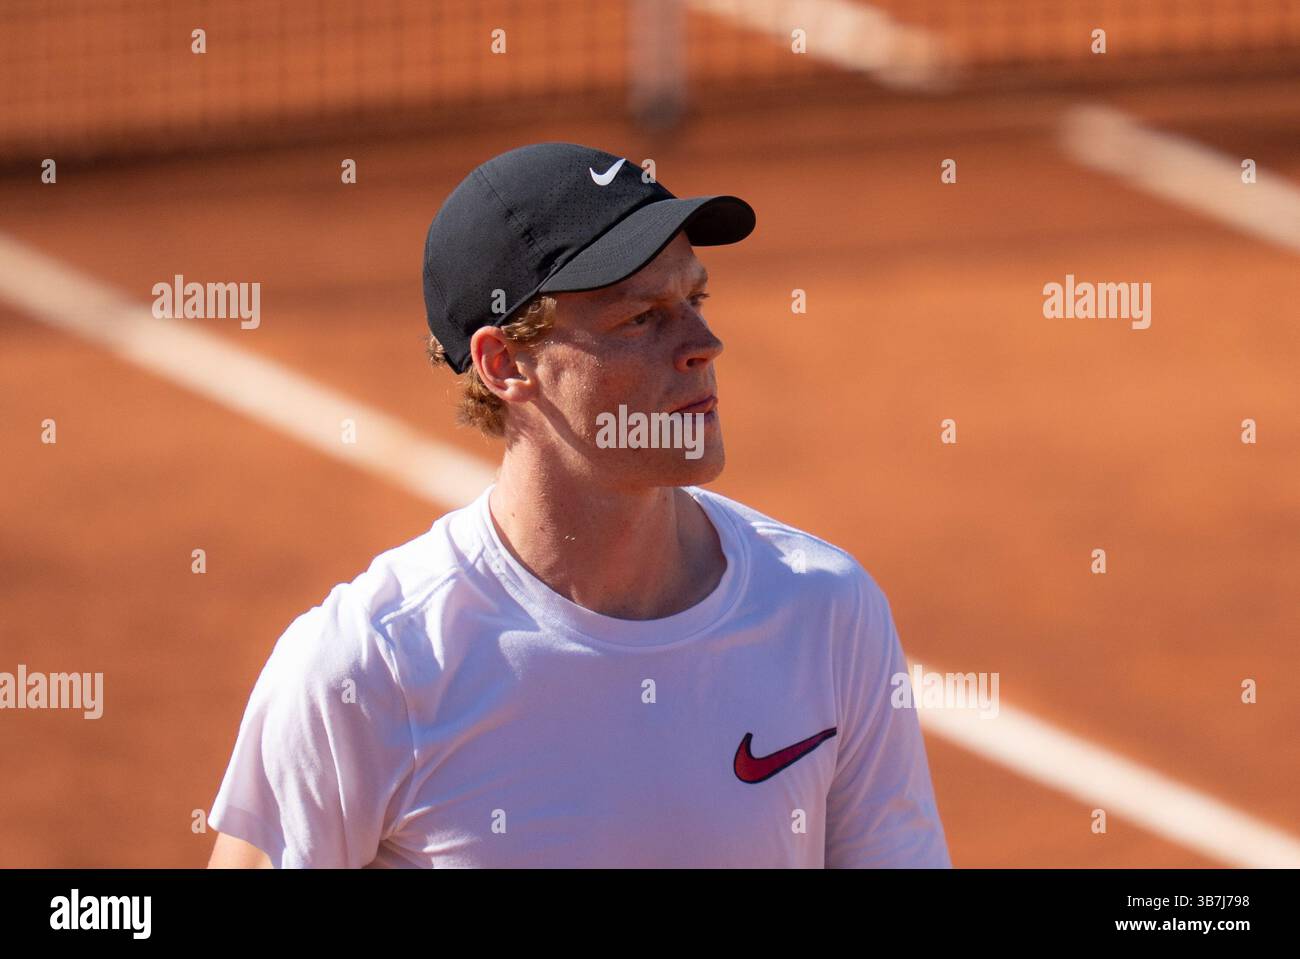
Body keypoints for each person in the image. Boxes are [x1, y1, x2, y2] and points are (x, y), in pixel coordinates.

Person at [206, 142, 951, 868]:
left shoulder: (825, 611)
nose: (704, 342)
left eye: (695, 297)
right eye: (641, 318)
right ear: (505, 363)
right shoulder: (369, 669)